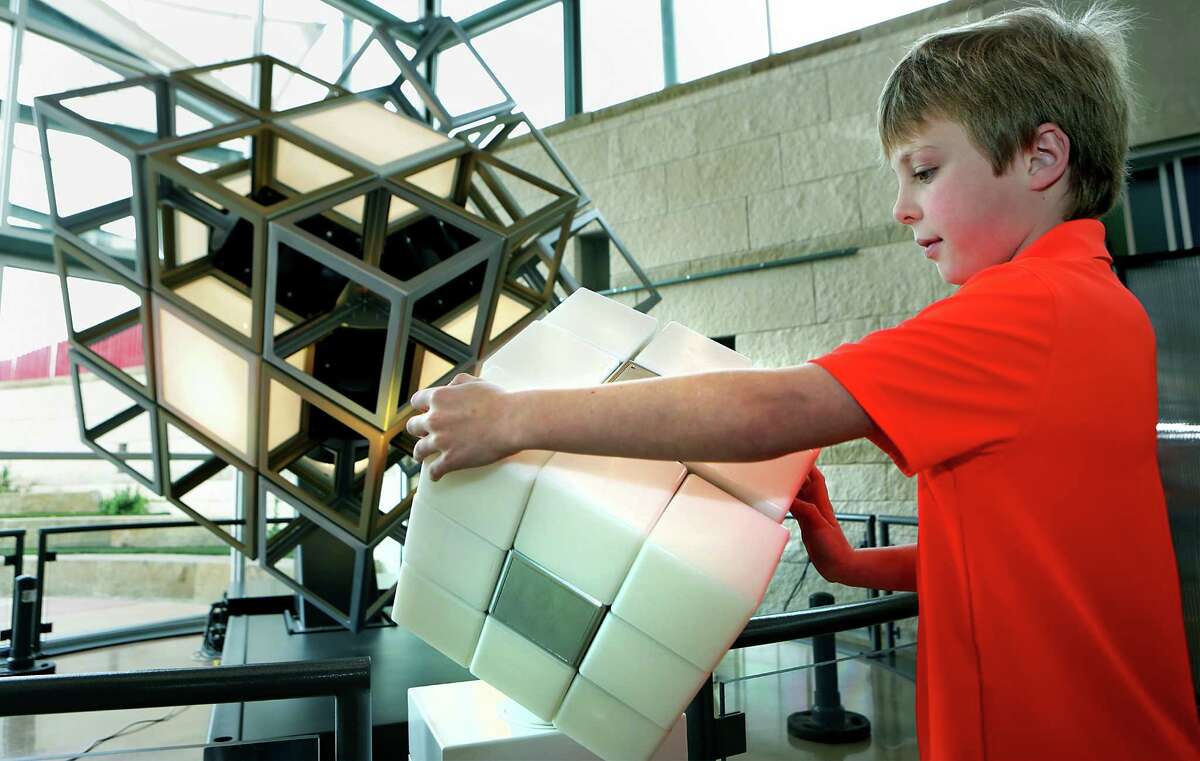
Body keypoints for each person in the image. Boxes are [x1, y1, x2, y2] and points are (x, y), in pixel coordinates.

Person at [406, 3, 1200, 758]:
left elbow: (774, 408)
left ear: (1041, 157)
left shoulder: (1030, 308)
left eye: (923, 169)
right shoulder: (1103, 308)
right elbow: (1034, 556)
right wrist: (854, 563)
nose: (900, 206)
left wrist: (513, 418)